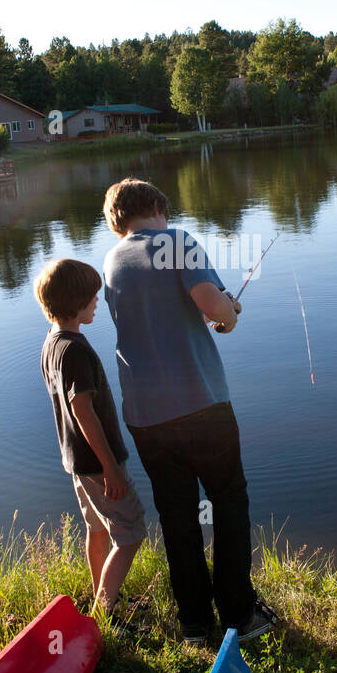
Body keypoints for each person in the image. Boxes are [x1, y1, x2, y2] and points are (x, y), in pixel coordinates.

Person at [101, 177, 277, 645]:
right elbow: (213, 305)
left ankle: (194, 624)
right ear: (159, 208)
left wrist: (208, 311)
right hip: (201, 406)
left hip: (145, 415)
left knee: (177, 515)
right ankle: (241, 615)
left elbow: (157, 319)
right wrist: (230, 313)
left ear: (118, 220)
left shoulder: (112, 260)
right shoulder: (177, 241)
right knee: (228, 500)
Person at [33, 258, 146, 617]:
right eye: (93, 296)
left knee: (97, 529)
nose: (98, 301)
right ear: (76, 301)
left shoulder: (52, 344)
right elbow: (83, 410)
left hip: (76, 462)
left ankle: (103, 597)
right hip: (99, 462)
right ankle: (104, 612)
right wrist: (111, 467)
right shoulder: (75, 350)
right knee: (129, 532)